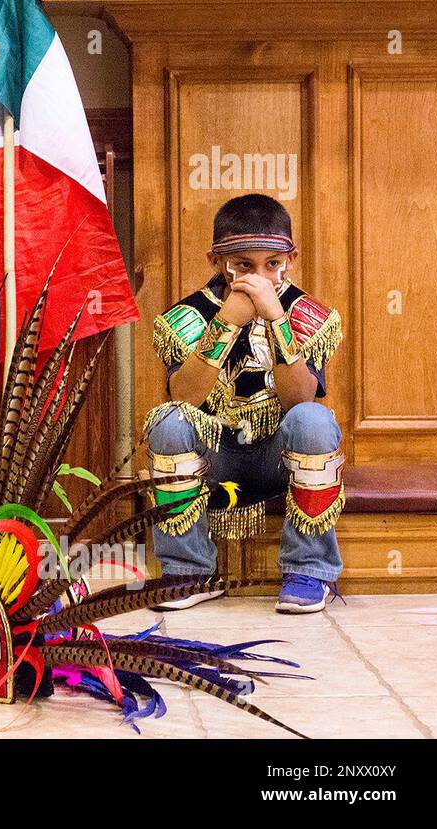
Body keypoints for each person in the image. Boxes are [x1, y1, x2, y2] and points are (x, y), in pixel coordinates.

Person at [145, 194, 344, 614]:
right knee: (167, 421)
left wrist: (277, 321)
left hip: (278, 457)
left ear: (292, 258)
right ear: (217, 260)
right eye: (244, 266)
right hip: (217, 460)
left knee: (314, 419)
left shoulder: (308, 314)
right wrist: (226, 322)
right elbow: (185, 397)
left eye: (272, 264)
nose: (259, 276)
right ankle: (187, 570)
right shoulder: (188, 316)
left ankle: (309, 569)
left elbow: (298, 399)